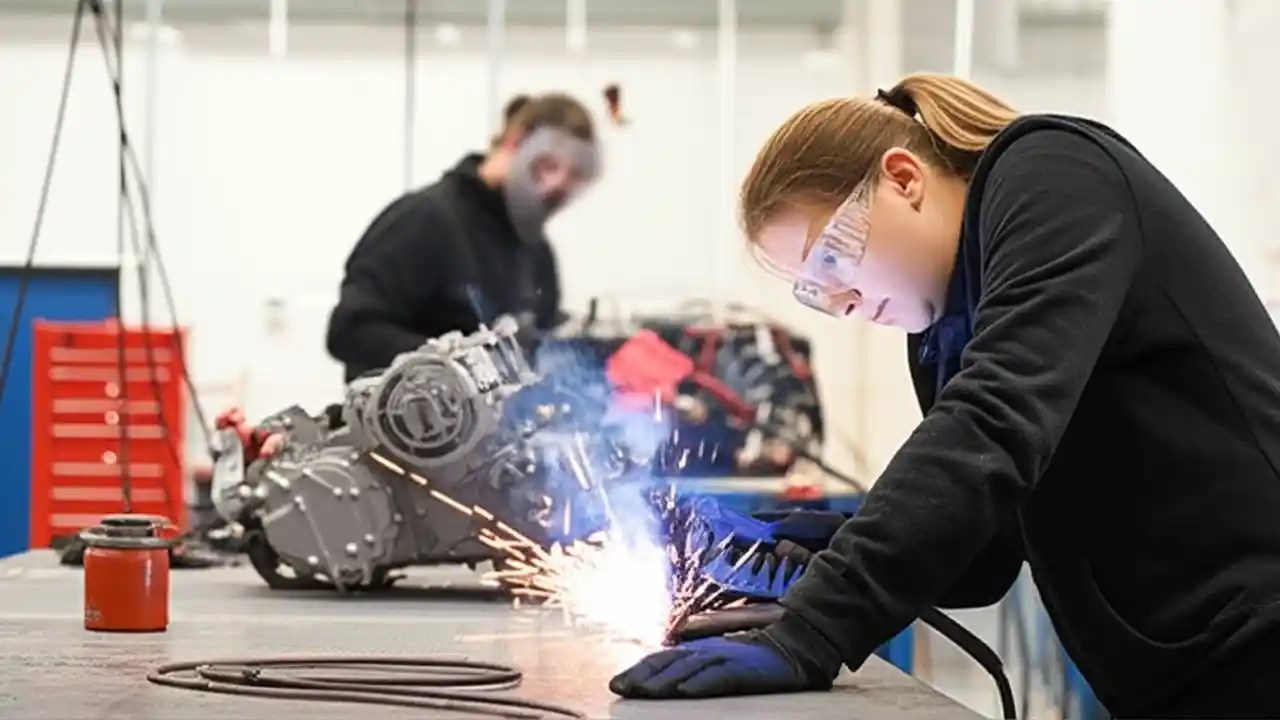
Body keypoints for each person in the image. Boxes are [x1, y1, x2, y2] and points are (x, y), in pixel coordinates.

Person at [609, 73, 1280, 718]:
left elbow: (993, 422)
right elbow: (986, 549)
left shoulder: (1055, 176)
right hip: (1185, 674)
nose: (839, 302)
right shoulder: (947, 323)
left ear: (904, 179)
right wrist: (831, 551)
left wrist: (812, 629)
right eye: (813, 290)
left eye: (833, 258)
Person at [325, 93, 600, 382]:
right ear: (515, 142)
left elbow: (540, 343)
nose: (556, 186)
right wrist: (461, 370)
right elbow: (351, 330)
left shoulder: (536, 250)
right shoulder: (424, 219)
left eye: (575, 176)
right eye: (548, 166)